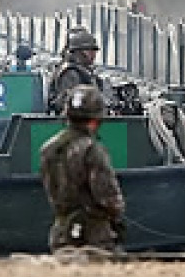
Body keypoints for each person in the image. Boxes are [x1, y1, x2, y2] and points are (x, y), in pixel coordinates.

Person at [39, 84, 125, 252]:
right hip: (94, 236)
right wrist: (116, 216)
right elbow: (108, 197)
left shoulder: (49, 149)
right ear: (95, 121)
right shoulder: (92, 150)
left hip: (61, 233)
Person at [47, 29, 103, 114]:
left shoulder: (86, 71)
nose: (93, 54)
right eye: (89, 50)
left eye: (94, 50)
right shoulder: (70, 73)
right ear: (78, 52)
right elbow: (71, 103)